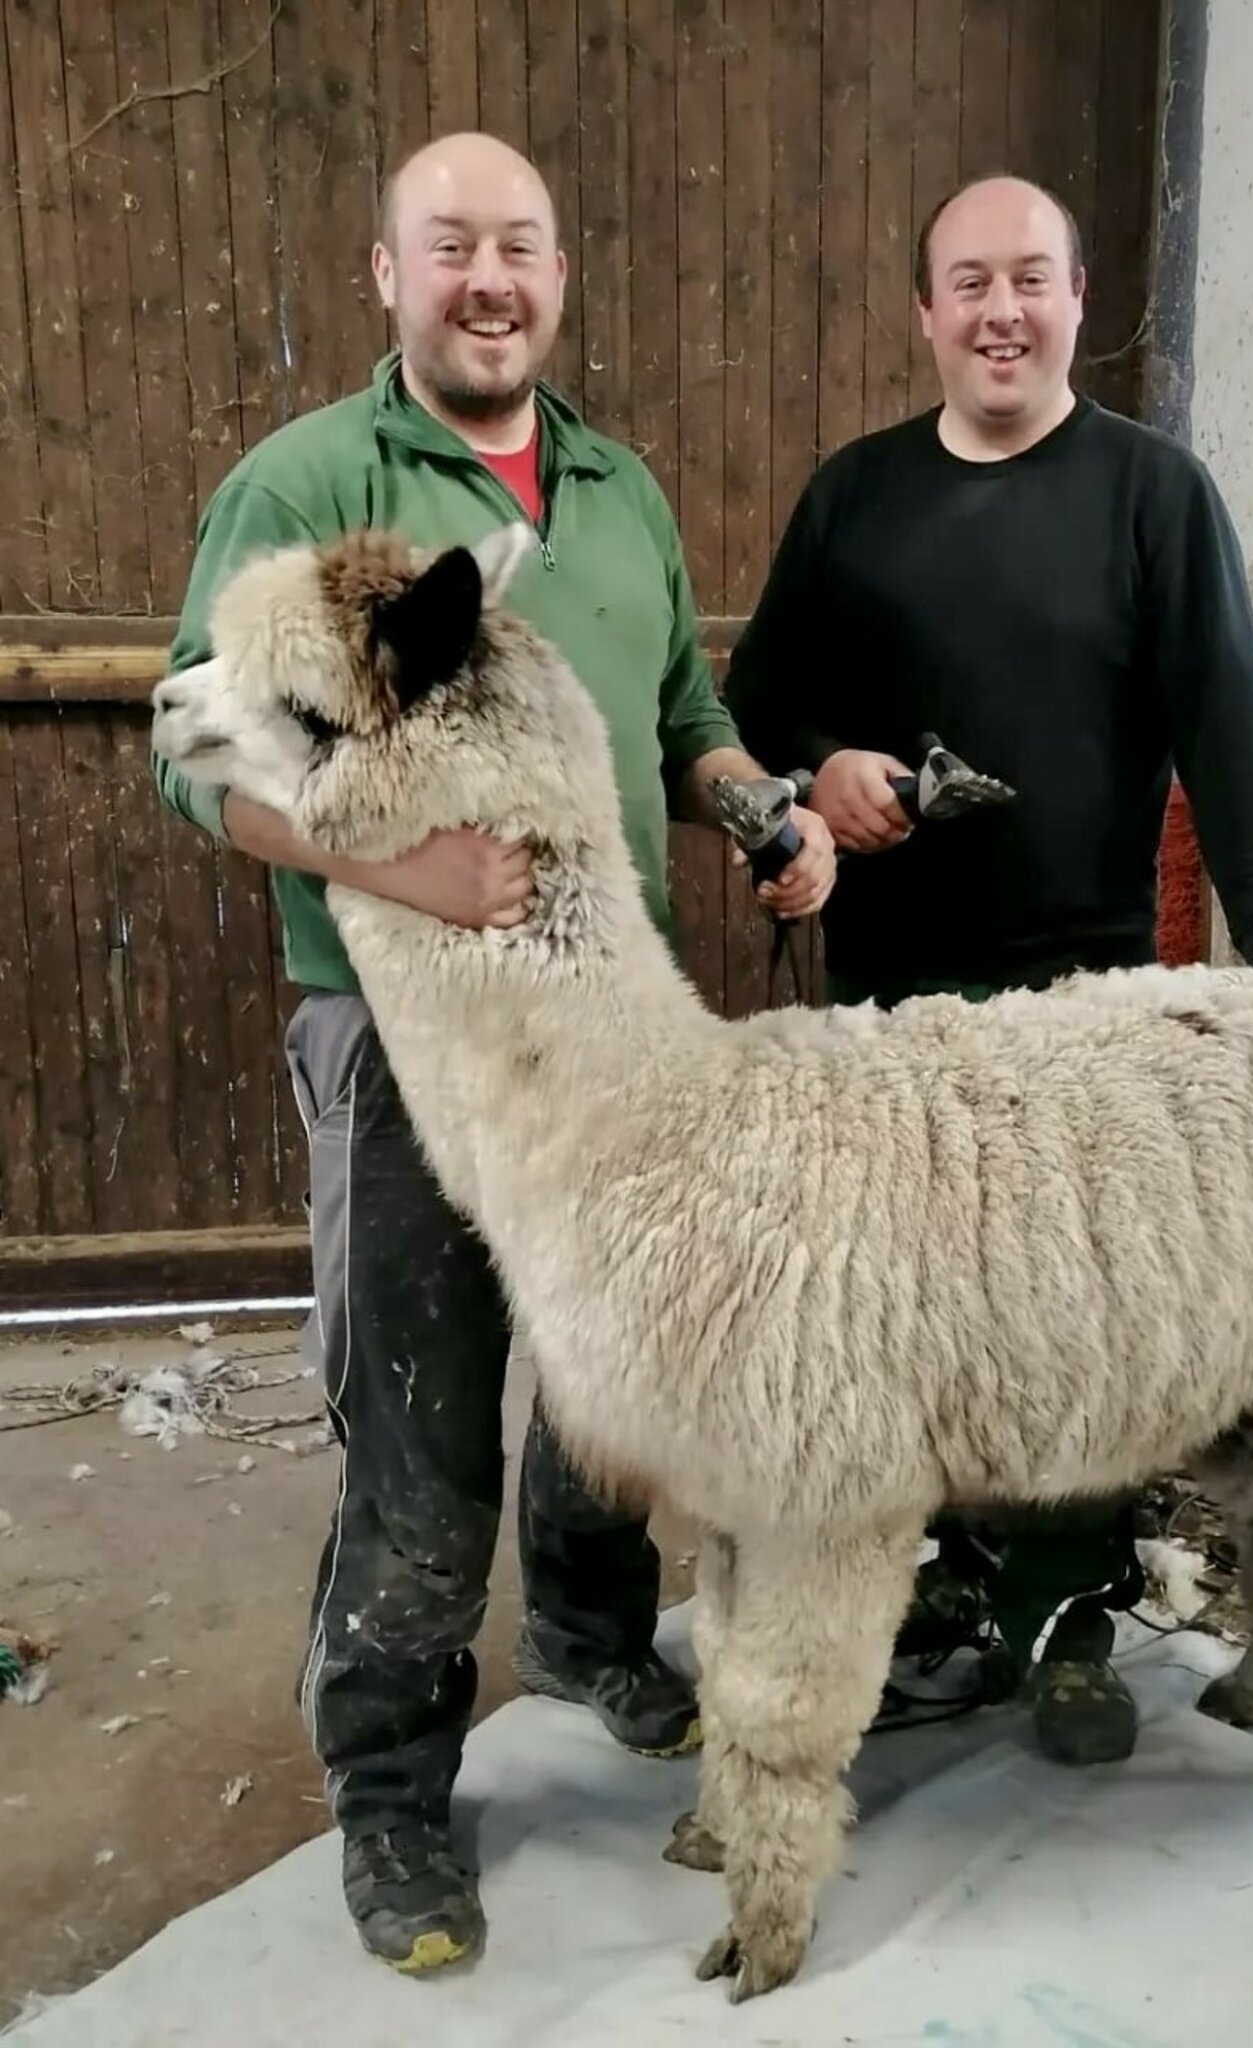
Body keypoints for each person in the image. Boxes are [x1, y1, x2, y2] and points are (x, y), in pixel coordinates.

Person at [150, 131, 835, 1975]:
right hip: (403, 1038)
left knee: (617, 1385)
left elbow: (683, 709)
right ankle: (391, 1795)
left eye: (517, 246)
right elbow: (186, 749)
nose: (488, 280)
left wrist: (760, 803)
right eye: (448, 246)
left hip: (606, 1017)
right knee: (425, 1427)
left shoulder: (614, 484)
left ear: (556, 271)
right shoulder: (308, 489)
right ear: (390, 274)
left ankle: (600, 1645)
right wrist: (403, 866)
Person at [723, 172, 1253, 1769]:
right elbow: (752, 708)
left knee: (1074, 1331)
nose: (1000, 311)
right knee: (900, 1326)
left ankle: (1063, 1609)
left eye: (1031, 279)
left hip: (1079, 1012)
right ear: (924, 311)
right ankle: (928, 1593)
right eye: (968, 283)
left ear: (1076, 298)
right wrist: (823, 769)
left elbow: (1232, 743)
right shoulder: (854, 499)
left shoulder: (1153, 495)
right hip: (892, 1015)